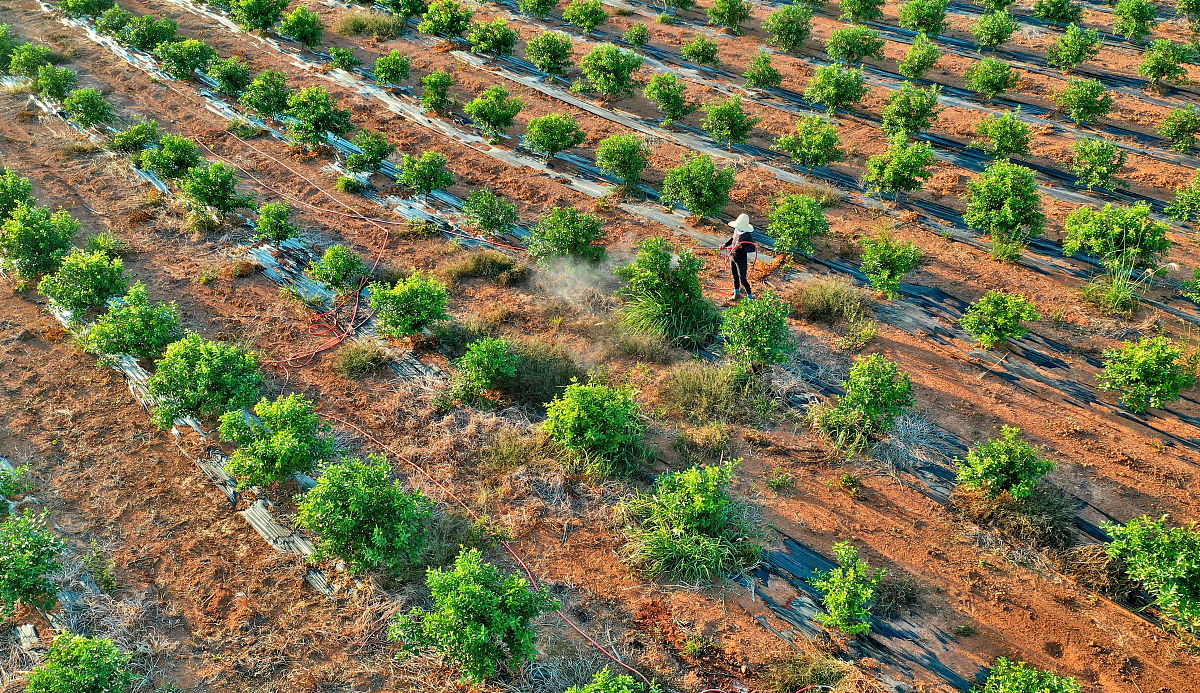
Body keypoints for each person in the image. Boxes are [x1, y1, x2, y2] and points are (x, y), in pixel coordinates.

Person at [720, 213, 757, 301]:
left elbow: (752, 248)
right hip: (733, 256)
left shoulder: (747, 236)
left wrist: (742, 247)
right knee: (735, 276)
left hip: (741, 259)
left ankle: (750, 298)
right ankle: (736, 293)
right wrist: (725, 245)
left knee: (743, 279)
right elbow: (732, 239)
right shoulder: (736, 230)